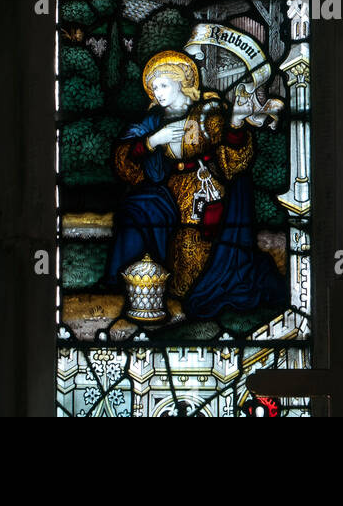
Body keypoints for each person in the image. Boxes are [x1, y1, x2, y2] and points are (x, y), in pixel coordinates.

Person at [104, 50, 284, 335]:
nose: (158, 93)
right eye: (153, 87)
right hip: (169, 195)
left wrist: (235, 123)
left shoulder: (209, 112)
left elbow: (235, 162)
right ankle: (130, 281)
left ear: (182, 82)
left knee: (197, 268)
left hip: (210, 190)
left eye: (163, 85)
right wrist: (152, 142)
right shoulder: (151, 123)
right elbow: (124, 161)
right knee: (137, 208)